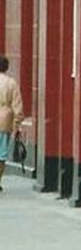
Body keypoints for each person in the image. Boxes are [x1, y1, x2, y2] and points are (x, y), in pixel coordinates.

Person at [0, 56, 23, 190]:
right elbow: (17, 106)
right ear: (6, 67)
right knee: (1, 154)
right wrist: (17, 124)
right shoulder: (11, 83)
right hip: (4, 122)